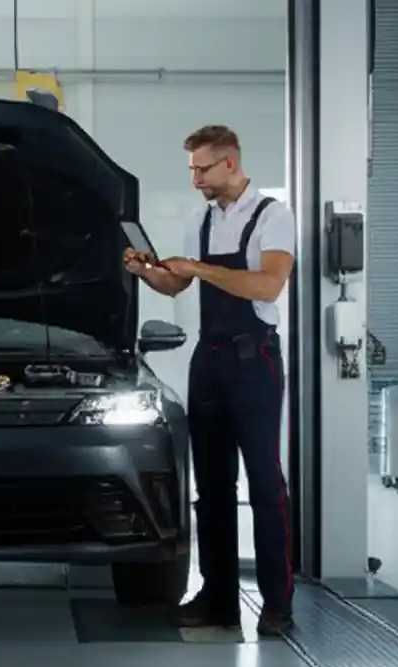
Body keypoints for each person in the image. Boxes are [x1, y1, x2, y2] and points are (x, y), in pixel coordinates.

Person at [124, 125, 297, 636]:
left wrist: (199, 268)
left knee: (265, 483)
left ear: (230, 163)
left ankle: (277, 603)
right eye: (191, 170)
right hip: (210, 361)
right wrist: (146, 270)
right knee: (212, 487)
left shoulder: (273, 216)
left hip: (255, 361)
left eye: (202, 168)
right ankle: (217, 596)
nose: (195, 178)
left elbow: (268, 283)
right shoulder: (199, 220)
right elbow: (177, 280)